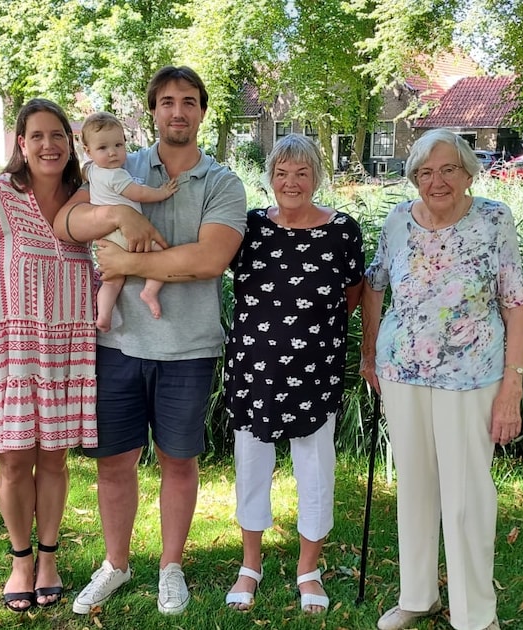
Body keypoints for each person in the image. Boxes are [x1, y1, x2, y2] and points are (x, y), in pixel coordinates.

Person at [53, 66, 247, 616]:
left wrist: (124, 258)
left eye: (188, 101)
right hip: (117, 345)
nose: (177, 111)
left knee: (178, 461)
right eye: (166, 102)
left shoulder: (223, 183)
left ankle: (170, 567)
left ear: (202, 111)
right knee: (114, 461)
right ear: (154, 111)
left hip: (188, 346)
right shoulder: (120, 162)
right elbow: (67, 222)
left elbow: (210, 260)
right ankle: (115, 564)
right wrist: (117, 216)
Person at [359, 129, 523, 630]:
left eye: (448, 169)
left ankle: (475, 614)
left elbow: (515, 302)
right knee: (414, 485)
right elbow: (374, 284)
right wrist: (370, 351)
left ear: (468, 173)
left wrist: (511, 386)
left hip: (471, 375)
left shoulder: (494, 219)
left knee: (466, 496)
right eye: (425, 172)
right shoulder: (396, 220)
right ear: (413, 178)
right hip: (402, 373)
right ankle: (417, 596)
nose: (437, 181)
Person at [0, 98, 96, 613]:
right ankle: (21, 560)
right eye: (38, 136)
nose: (49, 145)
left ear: (70, 143)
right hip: (8, 351)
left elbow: (105, 267)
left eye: (59, 135)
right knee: (13, 461)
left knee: (53, 460)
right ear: (21, 143)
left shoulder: (86, 200)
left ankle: (49, 557)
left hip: (67, 353)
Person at [222, 133, 364, 613]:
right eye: (282, 173)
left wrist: (311, 333)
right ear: (270, 178)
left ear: (316, 178)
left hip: (313, 371)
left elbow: (352, 293)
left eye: (302, 173)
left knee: (315, 470)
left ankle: (309, 569)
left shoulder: (343, 229)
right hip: (253, 370)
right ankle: (250, 566)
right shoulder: (250, 227)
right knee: (252, 467)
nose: (291, 182)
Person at [80, 111, 179, 332]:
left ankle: (103, 316)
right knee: (161, 254)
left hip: (105, 236)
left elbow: (85, 170)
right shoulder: (117, 175)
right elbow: (139, 194)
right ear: (88, 151)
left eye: (118, 145)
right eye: (103, 148)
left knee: (112, 281)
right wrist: (162, 192)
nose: (113, 153)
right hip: (125, 234)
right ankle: (150, 291)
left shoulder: (92, 170)